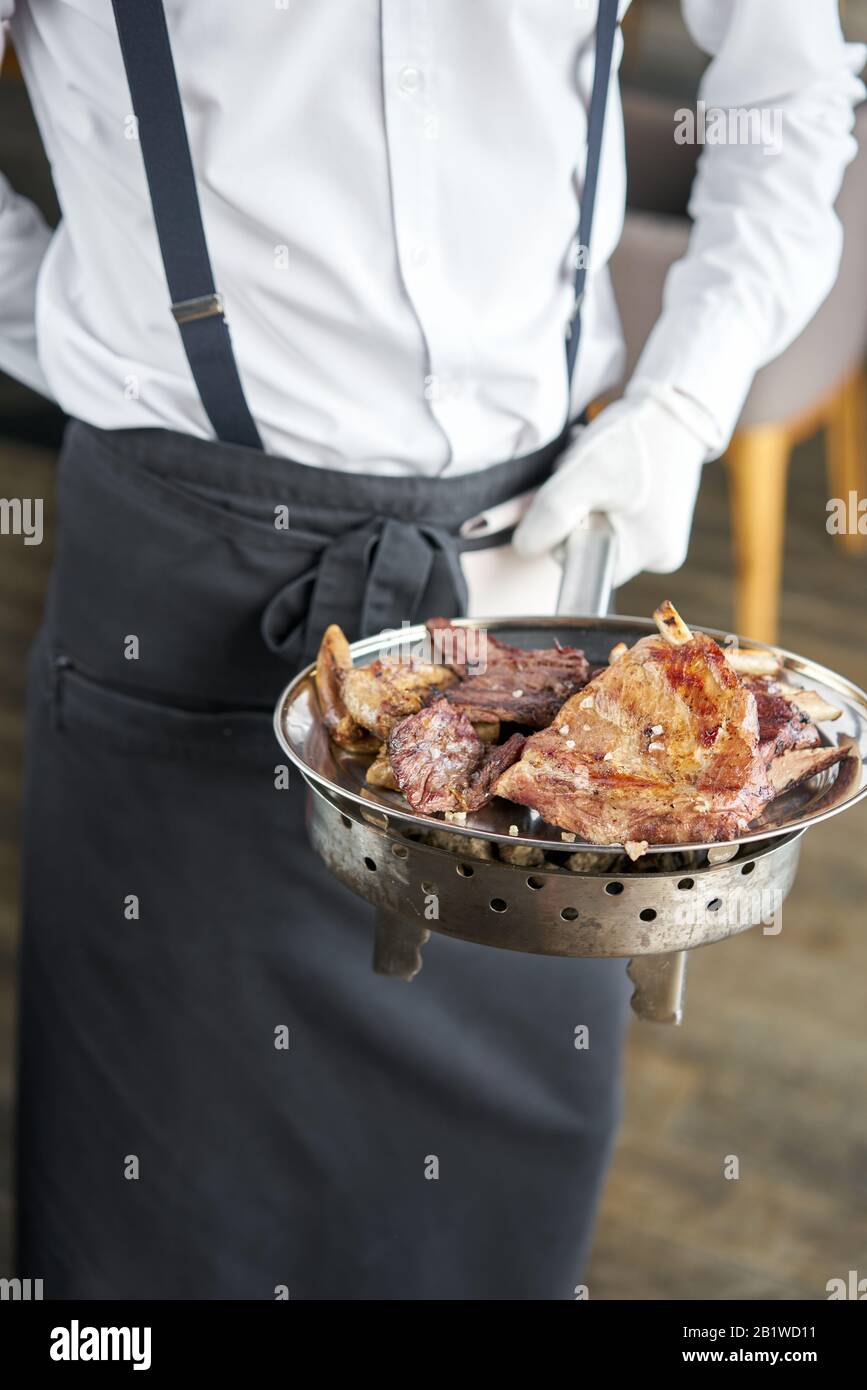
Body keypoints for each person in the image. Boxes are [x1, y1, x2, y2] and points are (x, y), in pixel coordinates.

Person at [2, 0, 863, 1300]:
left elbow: (787, 92)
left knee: (493, 1241)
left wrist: (685, 397)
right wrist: (70, 333)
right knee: (157, 1236)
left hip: (524, 609)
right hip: (186, 587)